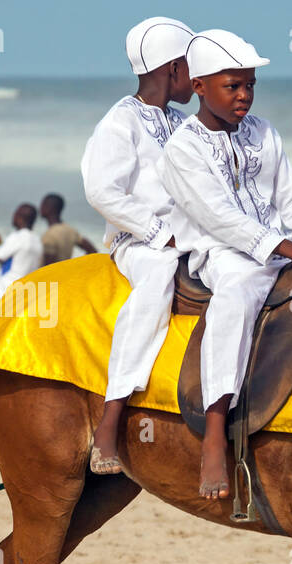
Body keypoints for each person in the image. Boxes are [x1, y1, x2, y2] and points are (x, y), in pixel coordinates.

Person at [160, 29, 292, 499]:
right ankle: (213, 432)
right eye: (233, 86)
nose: (244, 95)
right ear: (201, 86)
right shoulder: (182, 149)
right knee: (237, 296)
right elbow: (221, 220)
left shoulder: (264, 133)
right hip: (222, 255)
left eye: (250, 85)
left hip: (285, 245)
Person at [82, 16, 195, 475]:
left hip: (189, 237)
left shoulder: (182, 122)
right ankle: (111, 416)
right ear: (172, 69)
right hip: (141, 242)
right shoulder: (120, 122)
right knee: (157, 281)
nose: (201, 78)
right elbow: (102, 191)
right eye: (194, 68)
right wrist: (156, 232)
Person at [0, 203, 42, 299]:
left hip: (7, 293)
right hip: (25, 294)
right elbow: (15, 259)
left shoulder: (17, 237)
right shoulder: (37, 241)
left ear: (19, 217)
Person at [39, 193, 97, 265]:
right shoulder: (70, 230)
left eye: (42, 205)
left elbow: (47, 267)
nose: (40, 208)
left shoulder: (49, 235)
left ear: (48, 208)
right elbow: (92, 250)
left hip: (53, 275)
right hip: (65, 273)